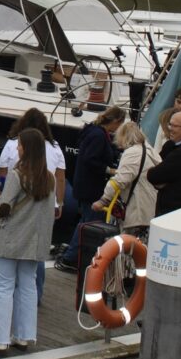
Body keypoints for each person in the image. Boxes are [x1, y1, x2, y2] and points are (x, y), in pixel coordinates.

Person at [0, 130, 57, 352]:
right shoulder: (50, 178)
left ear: (26, 148)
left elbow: (4, 206)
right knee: (28, 286)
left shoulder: (17, 175)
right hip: (35, 242)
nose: (17, 148)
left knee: (3, 287)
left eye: (20, 145)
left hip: (11, 238)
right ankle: (24, 335)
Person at [57, 108, 123, 272]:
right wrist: (108, 170)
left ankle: (71, 256)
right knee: (90, 223)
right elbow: (90, 159)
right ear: (115, 121)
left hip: (85, 185)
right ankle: (71, 257)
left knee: (85, 221)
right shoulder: (98, 135)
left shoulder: (95, 132)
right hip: (91, 188)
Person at [102, 121, 161, 240]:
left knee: (128, 247)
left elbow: (120, 180)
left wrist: (104, 199)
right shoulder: (151, 151)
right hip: (151, 208)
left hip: (137, 210)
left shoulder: (132, 153)